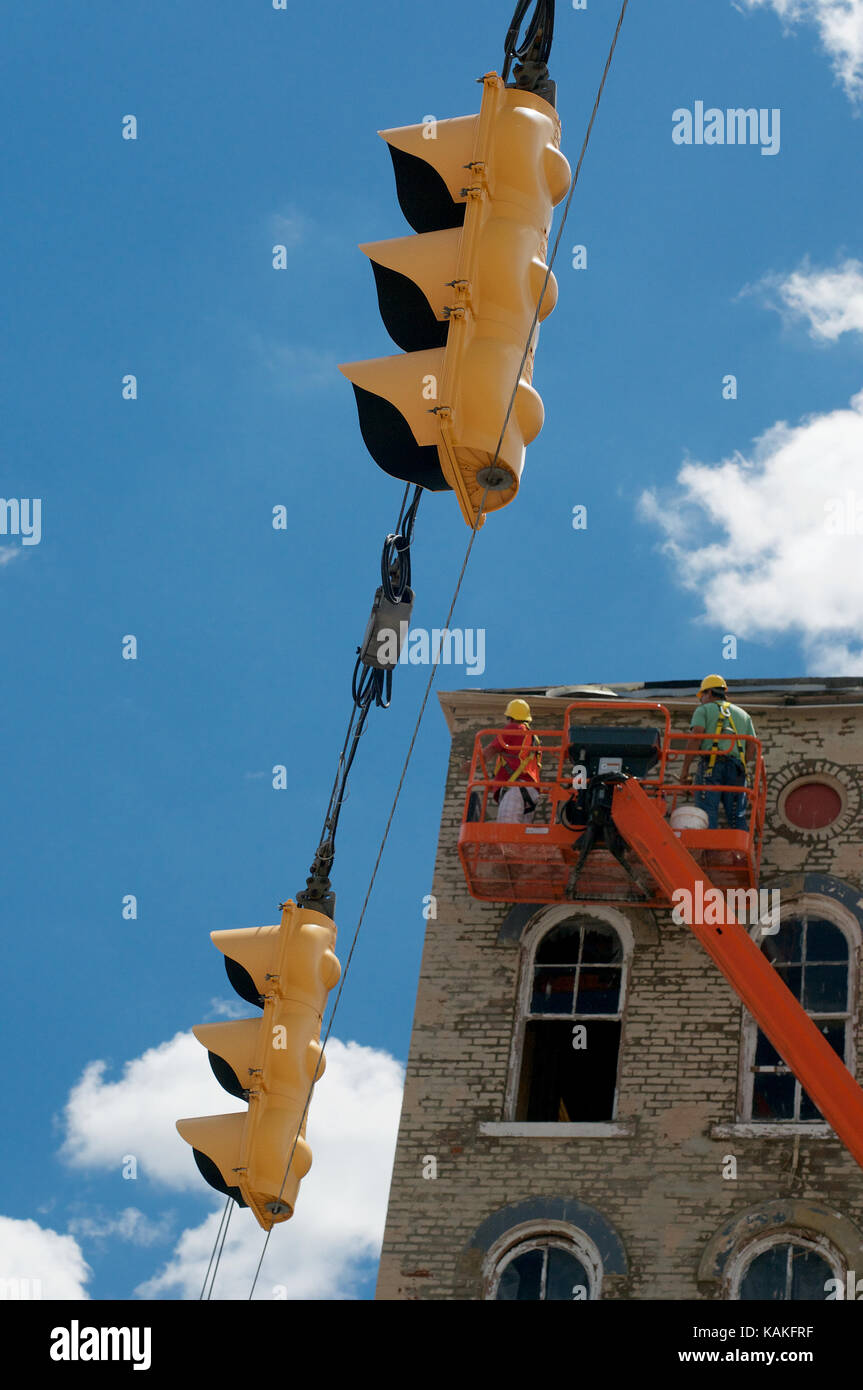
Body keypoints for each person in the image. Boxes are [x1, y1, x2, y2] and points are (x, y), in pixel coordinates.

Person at [680, 676, 756, 829]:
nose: (701, 699)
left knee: (707, 812)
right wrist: (740, 764)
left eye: (702, 696)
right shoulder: (743, 715)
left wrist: (685, 770)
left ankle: (709, 851)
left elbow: (696, 739)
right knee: (736, 816)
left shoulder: (703, 710)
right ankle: (741, 852)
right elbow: (752, 748)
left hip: (711, 766)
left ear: (708, 693)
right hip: (737, 769)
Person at [485, 698, 543, 824]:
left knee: (505, 835)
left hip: (516, 791)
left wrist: (470, 765)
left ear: (510, 717)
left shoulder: (513, 728)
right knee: (521, 839)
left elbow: (490, 751)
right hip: (531, 793)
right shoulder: (533, 737)